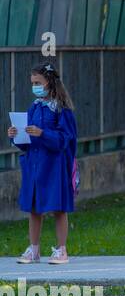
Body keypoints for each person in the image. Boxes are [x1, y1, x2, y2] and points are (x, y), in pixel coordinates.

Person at [8, 63, 78, 265]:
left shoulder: (62, 110)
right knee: (34, 208)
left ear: (50, 82)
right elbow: (26, 141)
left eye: (38, 82)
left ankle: (62, 249)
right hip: (34, 165)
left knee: (58, 207)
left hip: (54, 166)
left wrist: (43, 134)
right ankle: (34, 248)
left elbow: (66, 139)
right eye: (32, 83)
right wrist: (16, 135)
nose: (35, 87)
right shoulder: (35, 107)